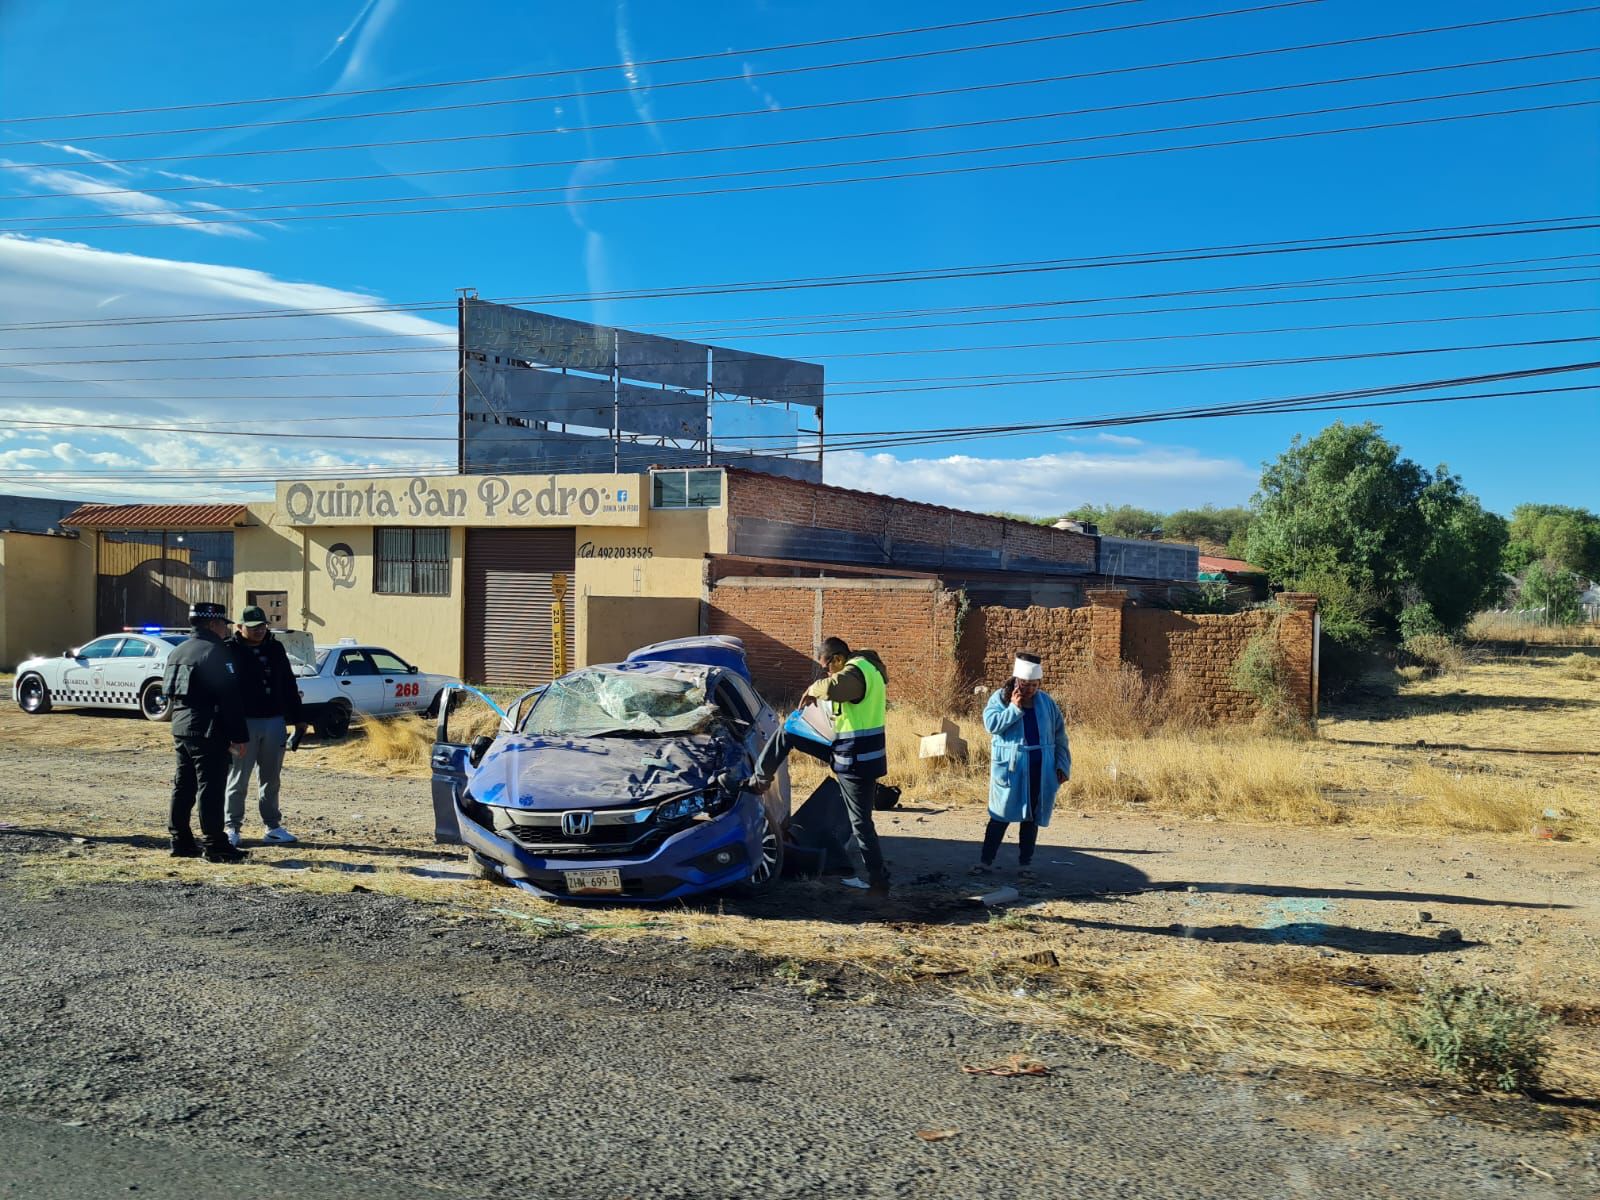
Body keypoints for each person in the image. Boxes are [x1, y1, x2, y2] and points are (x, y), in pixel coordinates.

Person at [750, 636, 891, 896]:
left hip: (855, 759)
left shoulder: (855, 672)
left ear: (838, 658)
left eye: (827, 667)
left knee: (861, 823)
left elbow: (833, 687)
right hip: (852, 753)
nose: (827, 673)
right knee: (788, 732)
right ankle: (760, 779)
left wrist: (813, 688)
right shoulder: (869, 668)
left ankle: (879, 882)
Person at [164, 602, 250, 864]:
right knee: (210, 788)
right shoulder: (215, 651)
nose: (226, 628)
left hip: (182, 727)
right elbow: (229, 697)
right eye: (223, 624)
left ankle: (180, 839)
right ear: (212, 624)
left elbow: (171, 692)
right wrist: (239, 736)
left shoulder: (178, 651)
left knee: (183, 785)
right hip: (209, 729)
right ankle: (215, 844)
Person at [975, 652, 1071, 878]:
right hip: (1011, 769)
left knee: (1032, 817)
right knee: (1000, 815)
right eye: (1025, 684)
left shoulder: (1046, 703)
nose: (1029, 689)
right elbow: (991, 725)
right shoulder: (1000, 699)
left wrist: (1062, 765)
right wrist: (1014, 709)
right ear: (1016, 680)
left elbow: (1060, 736)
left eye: (1034, 685)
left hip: (1041, 769)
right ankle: (985, 863)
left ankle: (1024, 865)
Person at [224, 605, 307, 847]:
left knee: (271, 779)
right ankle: (231, 827)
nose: (259, 630)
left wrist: (298, 718)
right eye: (253, 627)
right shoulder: (229, 650)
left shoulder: (275, 648)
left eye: (262, 626)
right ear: (240, 627)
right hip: (243, 724)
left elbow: (289, 684)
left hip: (274, 721)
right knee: (238, 778)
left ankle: (272, 826)